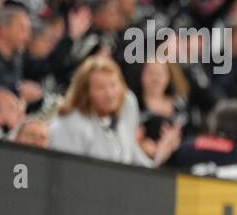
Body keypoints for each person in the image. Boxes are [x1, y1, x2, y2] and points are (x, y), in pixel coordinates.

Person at [50, 54, 181, 166]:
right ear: (86, 92)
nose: (110, 94)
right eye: (101, 88)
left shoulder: (125, 108)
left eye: (113, 85)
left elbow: (134, 158)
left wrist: (159, 155)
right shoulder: (71, 122)